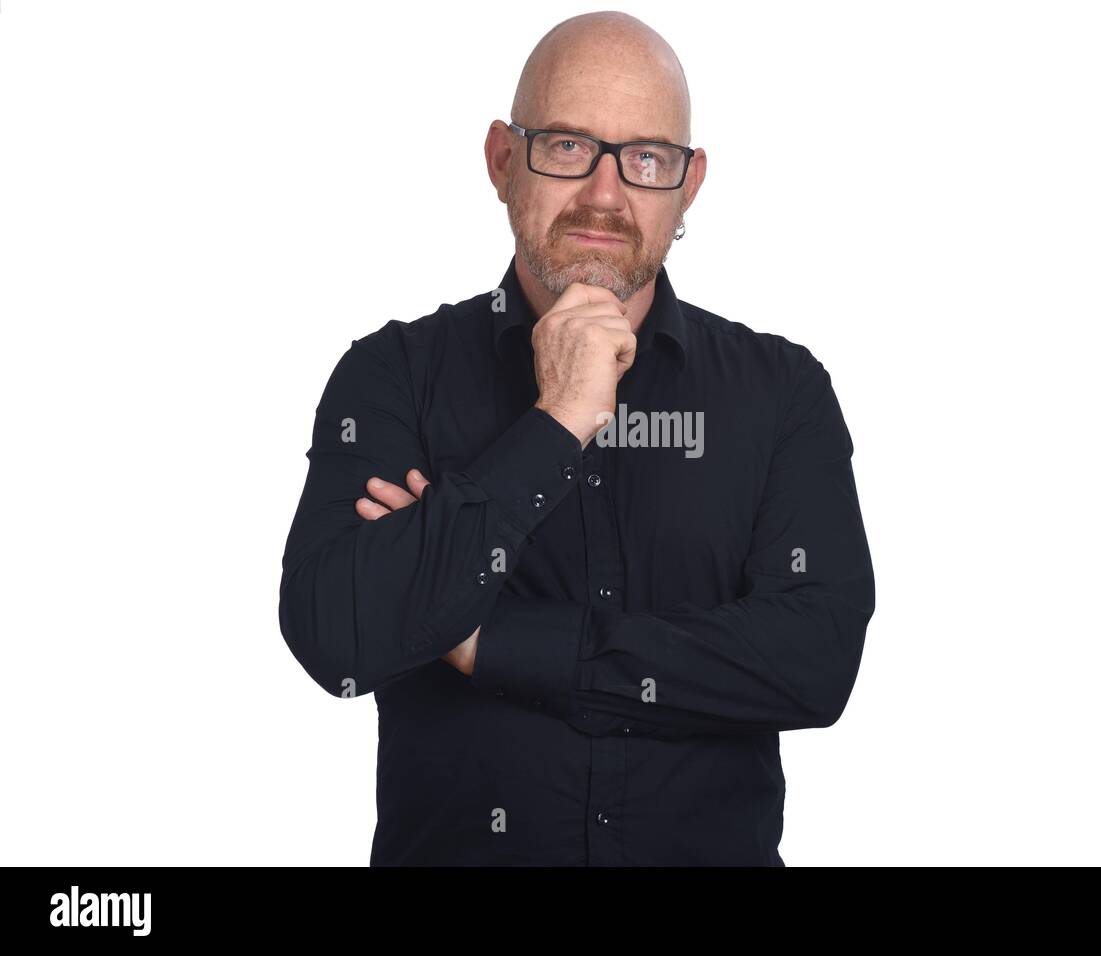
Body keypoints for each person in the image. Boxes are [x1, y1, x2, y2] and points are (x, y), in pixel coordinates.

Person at [278, 10, 875, 866]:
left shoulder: (782, 393)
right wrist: (556, 421)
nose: (605, 194)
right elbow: (336, 636)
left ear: (689, 184)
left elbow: (813, 662)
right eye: (566, 145)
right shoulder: (392, 377)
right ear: (500, 160)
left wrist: (485, 636)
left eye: (646, 158)